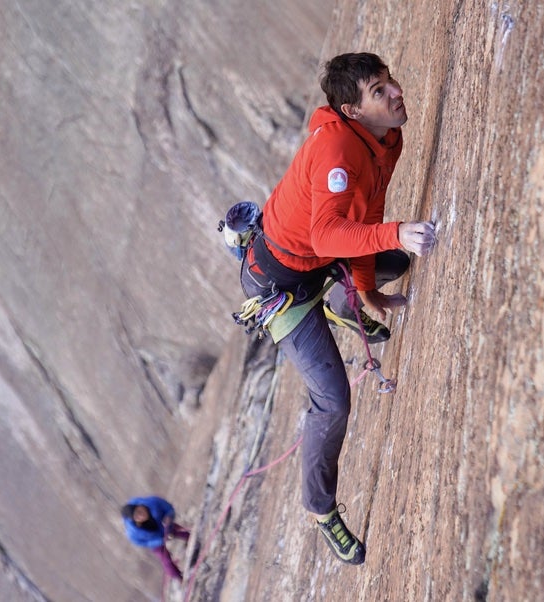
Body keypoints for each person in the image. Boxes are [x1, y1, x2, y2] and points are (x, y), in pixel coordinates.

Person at [239, 52, 437, 565]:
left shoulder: (384, 136)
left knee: (390, 260)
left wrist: (367, 291)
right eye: (378, 90)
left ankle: (343, 303)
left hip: (320, 260)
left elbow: (366, 212)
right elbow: (330, 231)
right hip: (279, 282)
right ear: (352, 110)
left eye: (389, 79)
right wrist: (394, 232)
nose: (395, 91)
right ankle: (322, 510)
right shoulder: (337, 149)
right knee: (332, 401)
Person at [121, 496, 191, 581]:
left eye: (139, 511)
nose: (141, 516)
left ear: (140, 506)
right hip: (154, 541)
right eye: (137, 517)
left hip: (164, 526)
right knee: (166, 559)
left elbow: (167, 507)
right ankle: (178, 577)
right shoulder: (133, 533)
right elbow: (142, 543)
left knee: (178, 532)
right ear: (135, 521)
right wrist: (160, 541)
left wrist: (169, 516)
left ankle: (193, 539)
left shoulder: (153, 503)